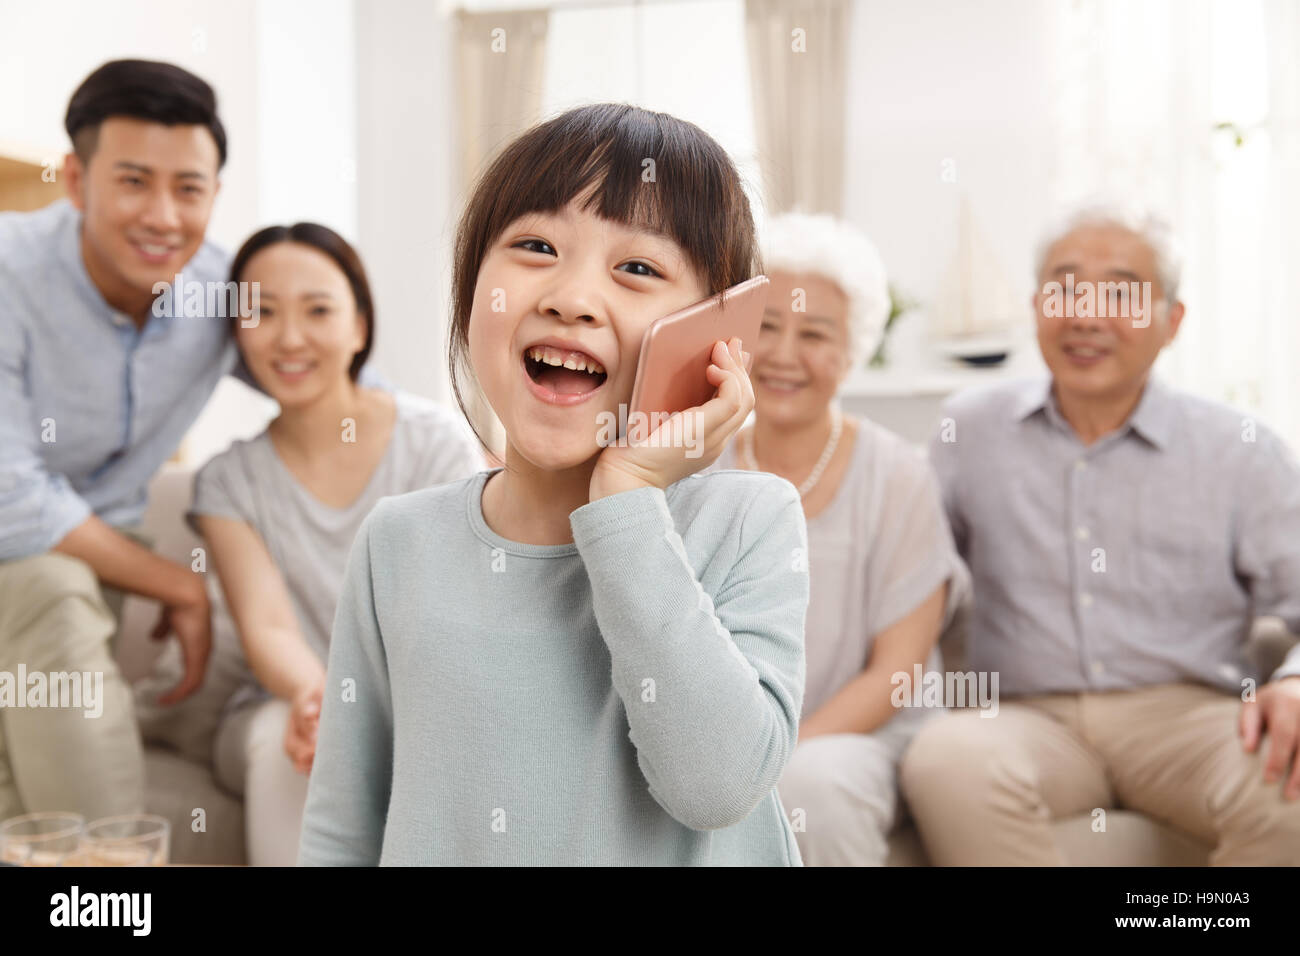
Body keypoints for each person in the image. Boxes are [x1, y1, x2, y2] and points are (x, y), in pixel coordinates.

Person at [297, 103, 809, 865]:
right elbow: (344, 829)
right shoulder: (397, 543)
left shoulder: (748, 520)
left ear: (713, 331)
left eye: (637, 268)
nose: (570, 297)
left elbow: (716, 787)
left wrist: (628, 496)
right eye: (535, 246)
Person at [900, 203, 1300, 865]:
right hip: (1026, 716)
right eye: (1063, 287)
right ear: (1036, 306)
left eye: (1119, 291)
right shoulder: (968, 430)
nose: (1086, 315)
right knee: (946, 759)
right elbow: (909, 574)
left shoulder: (1241, 449)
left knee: (1290, 785)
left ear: (1172, 322)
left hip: (1187, 716)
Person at [186, 223, 485, 866]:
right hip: (285, 702)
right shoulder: (227, 481)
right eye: (261, 312)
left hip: (416, 692)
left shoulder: (434, 444)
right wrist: (319, 701)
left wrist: (385, 709)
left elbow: (457, 609)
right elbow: (266, 625)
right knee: (289, 744)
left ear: (357, 326)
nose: (289, 337)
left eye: (317, 310)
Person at [0, 59, 231, 820]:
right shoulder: (9, 270)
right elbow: (10, 498)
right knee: (55, 590)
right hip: (42, 567)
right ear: (75, 179)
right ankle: (113, 885)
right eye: (134, 181)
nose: (164, 216)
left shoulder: (227, 293)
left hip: (80, 572)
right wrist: (176, 583)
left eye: (189, 188)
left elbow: (336, 376)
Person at [707, 212, 969, 865]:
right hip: (718, 736)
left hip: (857, 739)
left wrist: (772, 755)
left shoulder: (899, 476)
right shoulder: (695, 464)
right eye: (765, 326)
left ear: (851, 352)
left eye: (815, 334)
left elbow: (898, 671)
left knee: (806, 786)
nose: (784, 354)